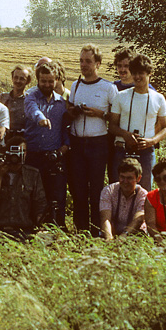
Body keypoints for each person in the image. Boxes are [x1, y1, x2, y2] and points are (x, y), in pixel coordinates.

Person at [66, 44, 117, 237]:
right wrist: (73, 112)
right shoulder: (75, 85)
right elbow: (69, 112)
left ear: (98, 63)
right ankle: (81, 232)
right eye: (81, 60)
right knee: (78, 190)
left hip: (98, 144)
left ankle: (98, 231)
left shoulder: (108, 87)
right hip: (77, 143)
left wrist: (100, 114)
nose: (83, 65)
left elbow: (116, 118)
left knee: (96, 190)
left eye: (88, 61)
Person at [109, 53, 166, 190]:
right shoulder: (121, 96)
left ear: (149, 74)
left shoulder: (158, 98)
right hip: (122, 150)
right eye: (134, 73)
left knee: (145, 192)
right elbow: (112, 125)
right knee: (119, 191)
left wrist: (152, 141)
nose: (137, 77)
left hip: (146, 151)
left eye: (141, 73)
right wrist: (125, 135)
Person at [23, 61, 70, 227]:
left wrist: (64, 148)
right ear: (38, 80)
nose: (47, 85)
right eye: (43, 81)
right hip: (33, 157)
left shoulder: (61, 104)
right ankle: (32, 230)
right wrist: (41, 118)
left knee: (56, 197)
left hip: (54, 157)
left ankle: (57, 230)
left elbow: (66, 130)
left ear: (57, 80)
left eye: (51, 81)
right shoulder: (31, 97)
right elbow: (32, 109)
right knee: (33, 196)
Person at [0, 140, 48, 240]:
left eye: (22, 152)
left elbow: (40, 203)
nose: (18, 156)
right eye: (15, 153)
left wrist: (40, 225)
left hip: (24, 230)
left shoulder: (32, 174)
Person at [99, 158, 148, 240]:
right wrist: (109, 239)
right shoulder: (108, 191)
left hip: (134, 235)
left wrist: (123, 237)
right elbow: (105, 218)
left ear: (138, 178)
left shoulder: (143, 195)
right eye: (122, 177)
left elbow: (138, 219)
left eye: (129, 178)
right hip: (112, 233)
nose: (125, 181)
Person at [0, 65, 31, 142]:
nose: (18, 81)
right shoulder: (2, 97)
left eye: (22, 79)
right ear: (12, 78)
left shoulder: (30, 100)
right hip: (3, 139)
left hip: (23, 140)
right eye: (16, 77)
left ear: (27, 81)